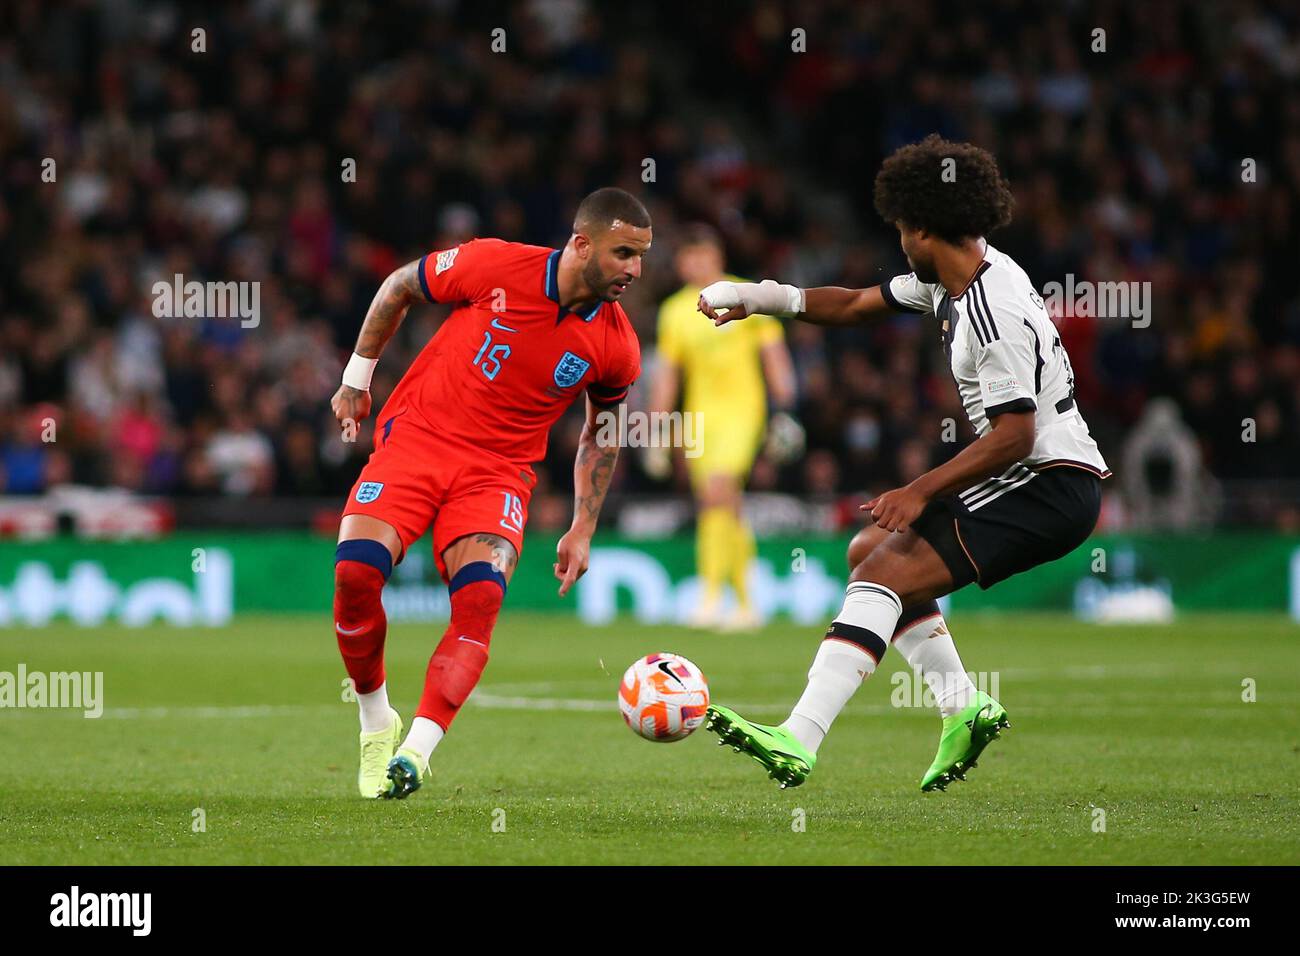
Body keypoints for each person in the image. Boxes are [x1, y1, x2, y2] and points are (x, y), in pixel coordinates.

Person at [697, 135, 1110, 791]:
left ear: (920, 226)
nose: (897, 241)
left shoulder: (990, 308)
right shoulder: (959, 275)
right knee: (870, 552)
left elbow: (1016, 435)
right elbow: (857, 304)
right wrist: (761, 298)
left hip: (1048, 483)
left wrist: (918, 489)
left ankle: (798, 738)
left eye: (898, 228)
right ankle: (963, 708)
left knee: (885, 568)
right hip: (1035, 477)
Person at [330, 187, 651, 798]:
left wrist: (583, 526)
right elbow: (400, 284)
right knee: (355, 575)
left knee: (478, 602)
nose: (634, 270)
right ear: (581, 243)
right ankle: (376, 720)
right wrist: (356, 379)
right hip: (417, 441)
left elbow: (602, 433)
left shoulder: (616, 344)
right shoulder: (495, 264)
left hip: (498, 473)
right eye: (623, 253)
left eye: (640, 256)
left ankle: (416, 753)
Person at [647, 224, 799, 631]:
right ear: (680, 263)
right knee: (717, 502)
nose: (695, 263)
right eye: (688, 257)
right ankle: (746, 602)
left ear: (718, 257)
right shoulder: (674, 311)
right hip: (699, 418)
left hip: (741, 412)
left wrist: (786, 410)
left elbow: (775, 358)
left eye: (703, 255)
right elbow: (668, 375)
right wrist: (658, 431)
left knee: (719, 488)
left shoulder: (746, 294)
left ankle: (712, 597)